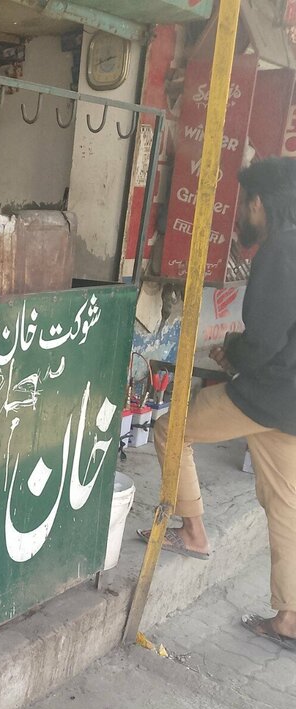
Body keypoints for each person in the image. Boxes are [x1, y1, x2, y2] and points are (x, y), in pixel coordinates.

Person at [141, 157, 296, 652]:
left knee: (170, 428)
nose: (241, 218)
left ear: (257, 203)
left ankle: (193, 531)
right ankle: (290, 617)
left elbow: (266, 340)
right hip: (291, 405)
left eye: (244, 205)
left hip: (265, 395)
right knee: (285, 505)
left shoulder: (279, 251)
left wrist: (232, 355)